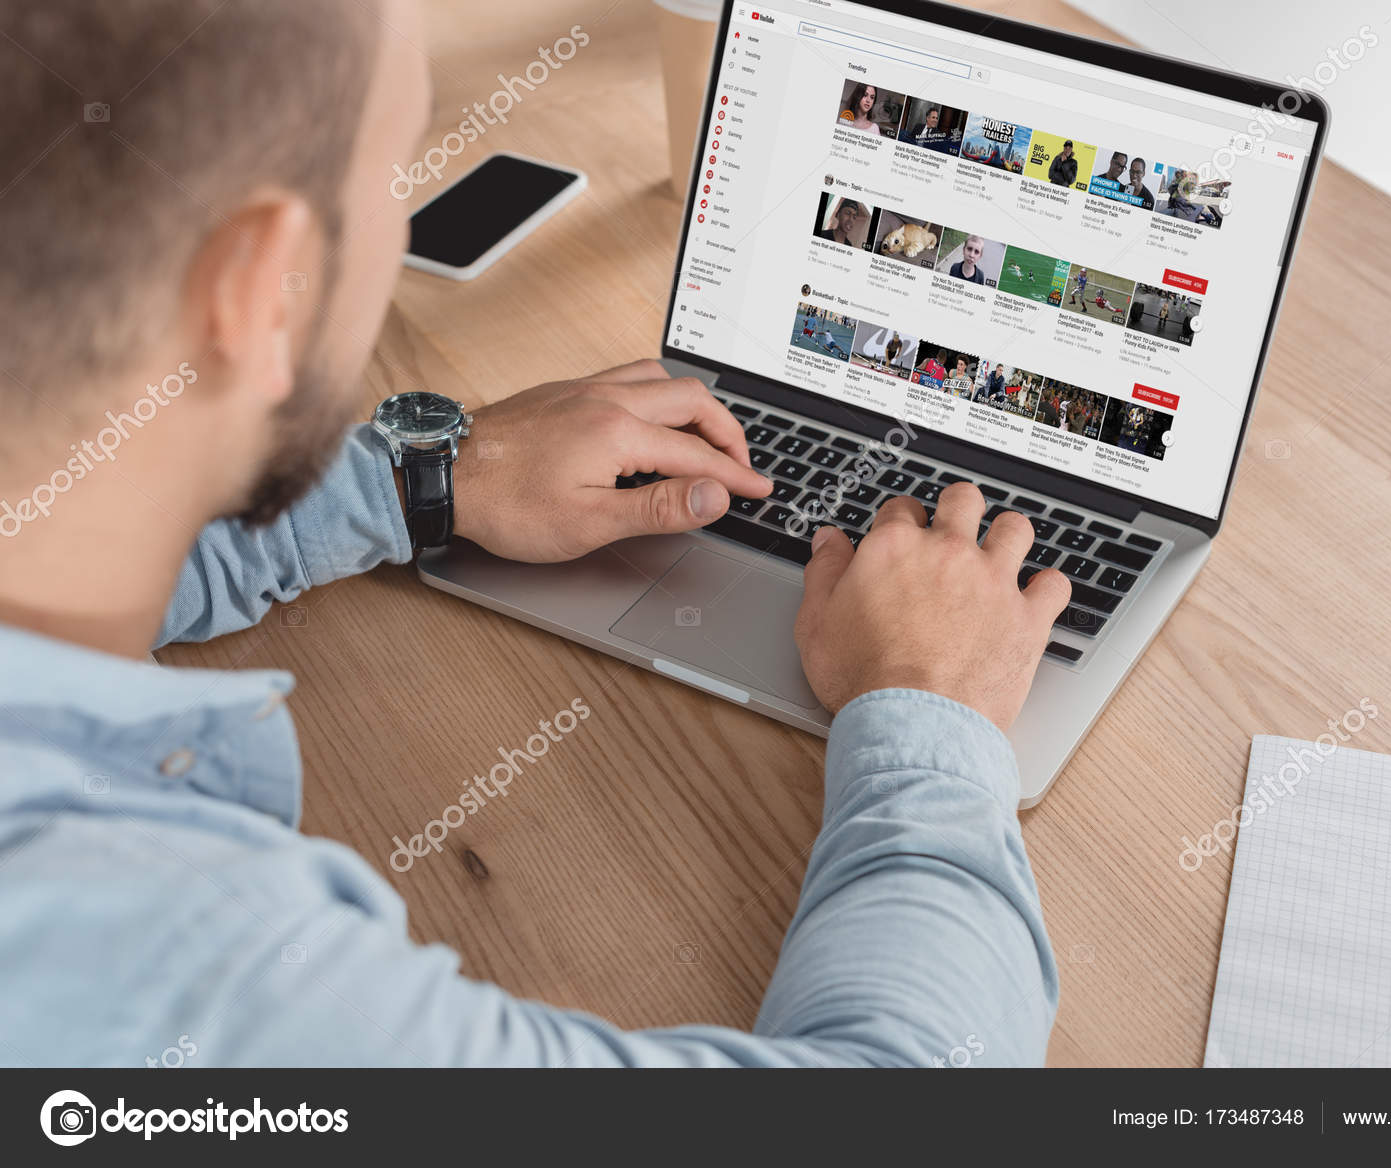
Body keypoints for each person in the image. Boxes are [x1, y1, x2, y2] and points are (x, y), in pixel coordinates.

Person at [0, 0, 1069, 1067]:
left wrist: (422, 476)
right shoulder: (172, 972)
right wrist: (928, 704)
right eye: (397, 174)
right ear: (252, 290)